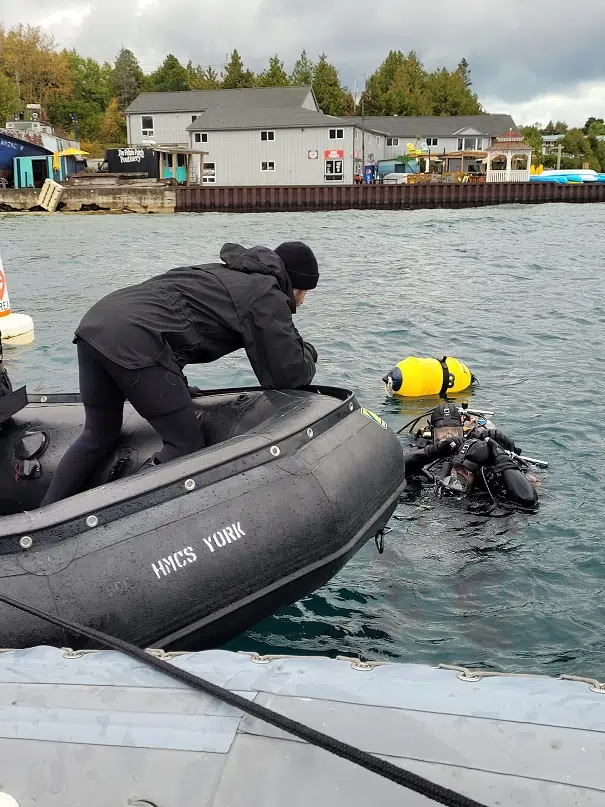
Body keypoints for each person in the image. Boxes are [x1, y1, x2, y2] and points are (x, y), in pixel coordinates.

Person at [39, 241, 320, 507]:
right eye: (304, 292)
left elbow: (174, 319)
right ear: (294, 284)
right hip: (133, 340)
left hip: (95, 326)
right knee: (184, 444)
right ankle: (110, 519)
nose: (303, 302)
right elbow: (288, 375)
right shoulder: (266, 294)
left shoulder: (221, 273)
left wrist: (177, 386)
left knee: (99, 433)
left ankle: (41, 518)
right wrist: (309, 352)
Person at [402, 402, 539, 509]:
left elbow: (527, 498)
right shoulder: (429, 464)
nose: (448, 436)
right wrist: (434, 450)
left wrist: (502, 448)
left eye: (454, 431)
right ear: (432, 432)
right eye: (442, 432)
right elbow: (399, 469)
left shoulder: (485, 480)